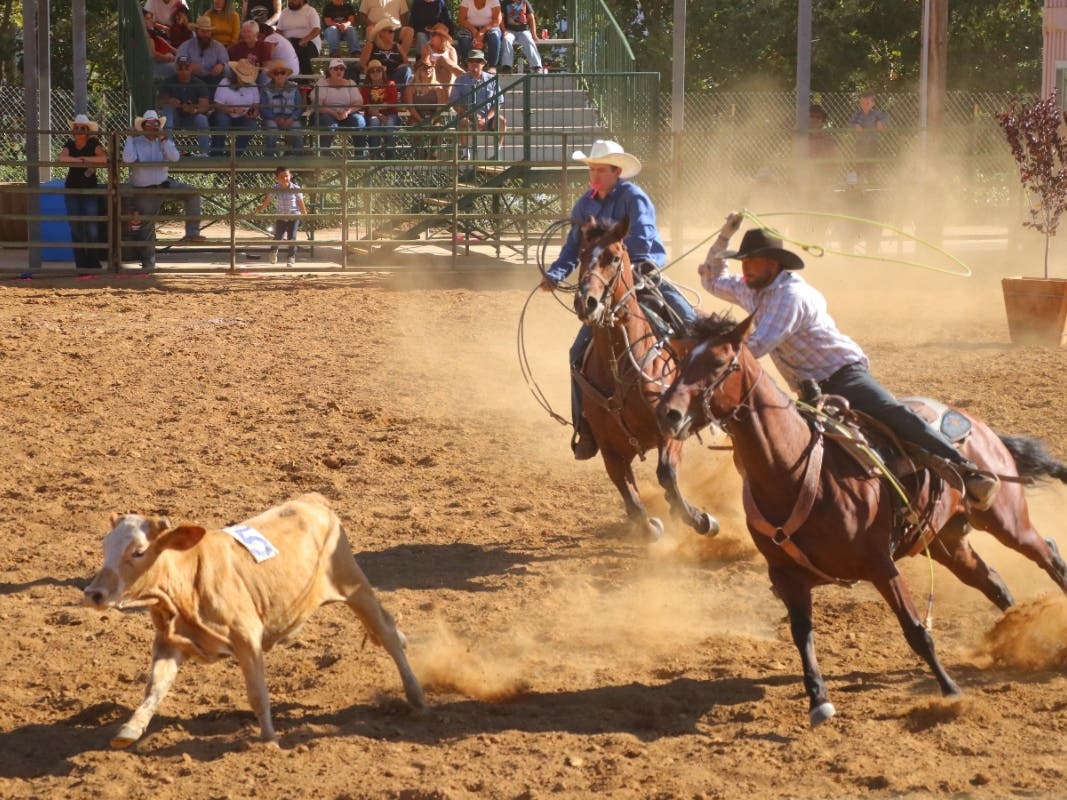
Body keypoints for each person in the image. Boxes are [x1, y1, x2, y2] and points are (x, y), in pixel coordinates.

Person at [698, 219, 1000, 510]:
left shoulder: (790, 296)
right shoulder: (753, 287)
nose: (745, 268)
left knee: (890, 412)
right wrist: (724, 236)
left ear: (773, 265)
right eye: (743, 262)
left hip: (843, 376)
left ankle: (967, 470)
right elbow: (711, 279)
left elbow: (757, 345)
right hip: (811, 388)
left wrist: (711, 361)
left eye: (752, 261)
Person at [540, 139, 697, 460]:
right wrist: (556, 273)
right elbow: (574, 247)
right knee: (576, 354)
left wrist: (615, 255)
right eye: (592, 169)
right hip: (606, 283)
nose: (594, 175)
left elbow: (641, 240)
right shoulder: (585, 204)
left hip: (640, 272)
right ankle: (585, 428)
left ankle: (707, 405)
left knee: (691, 327)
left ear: (616, 171)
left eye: (600, 169)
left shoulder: (634, 198)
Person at [121, 110, 206, 272]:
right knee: (146, 226)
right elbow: (128, 158)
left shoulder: (164, 141)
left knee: (192, 193)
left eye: (156, 123)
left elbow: (174, 157)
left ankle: (193, 232)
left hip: (163, 183)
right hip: (144, 189)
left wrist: (164, 139)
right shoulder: (136, 141)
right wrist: (130, 137)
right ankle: (148, 264)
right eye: (150, 123)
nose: (153, 126)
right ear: (143, 126)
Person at [58, 114, 108, 270]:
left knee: (91, 227)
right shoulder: (70, 143)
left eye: (82, 128)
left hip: (89, 189)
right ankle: (81, 264)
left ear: (87, 131)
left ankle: (93, 262)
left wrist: (81, 159)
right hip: (72, 188)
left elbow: (104, 159)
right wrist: (83, 161)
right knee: (76, 227)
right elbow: (62, 158)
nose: (78, 130)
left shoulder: (93, 142)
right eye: (76, 128)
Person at [449, 49, 503, 160]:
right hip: (468, 116)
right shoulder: (460, 80)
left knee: (501, 120)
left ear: (483, 64)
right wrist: (470, 115)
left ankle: (497, 152)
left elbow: (498, 103)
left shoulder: (492, 79)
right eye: (471, 61)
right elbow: (455, 103)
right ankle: (464, 153)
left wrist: (485, 119)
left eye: (478, 61)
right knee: (463, 121)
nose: (474, 63)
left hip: (488, 118)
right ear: (467, 63)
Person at [158, 55, 212, 156]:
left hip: (191, 118)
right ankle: (167, 150)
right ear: (176, 69)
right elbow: (160, 101)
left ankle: (204, 153)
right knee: (167, 110)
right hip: (174, 117)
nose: (183, 71)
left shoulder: (199, 84)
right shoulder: (168, 82)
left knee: (202, 118)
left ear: (191, 68)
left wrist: (193, 110)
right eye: (180, 68)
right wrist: (170, 101)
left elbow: (205, 107)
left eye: (186, 67)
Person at [255, 166, 307, 266]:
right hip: (281, 216)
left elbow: (300, 202)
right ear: (277, 178)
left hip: (294, 216)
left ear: (290, 176)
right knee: (278, 236)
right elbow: (268, 199)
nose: (284, 179)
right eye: (281, 177)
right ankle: (273, 251)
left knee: (292, 237)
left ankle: (291, 258)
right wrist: (261, 208)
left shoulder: (296, 188)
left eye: (286, 176)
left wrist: (304, 213)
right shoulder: (276, 188)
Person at [211, 59, 263, 156]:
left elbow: (256, 105)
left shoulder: (253, 85)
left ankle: (235, 153)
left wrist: (254, 113)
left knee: (252, 126)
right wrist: (233, 110)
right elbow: (217, 105)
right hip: (225, 114)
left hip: (244, 117)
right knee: (221, 121)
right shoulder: (225, 82)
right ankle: (216, 153)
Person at [313, 57, 367, 150]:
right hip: (327, 114)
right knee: (328, 124)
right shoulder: (322, 83)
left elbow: (359, 102)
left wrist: (347, 111)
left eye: (341, 69)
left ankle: (360, 156)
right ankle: (324, 158)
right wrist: (332, 113)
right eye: (336, 68)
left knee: (359, 122)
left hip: (346, 115)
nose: (339, 71)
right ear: (330, 70)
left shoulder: (351, 83)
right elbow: (317, 105)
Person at [260, 59, 305, 155]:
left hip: (291, 119)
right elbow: (263, 108)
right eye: (277, 73)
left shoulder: (294, 87)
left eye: (282, 73)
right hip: (272, 119)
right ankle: (269, 159)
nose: (280, 75)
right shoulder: (265, 89)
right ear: (273, 76)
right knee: (271, 130)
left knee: (297, 130)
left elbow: (299, 107)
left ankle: (299, 159)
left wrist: (292, 118)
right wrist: (275, 118)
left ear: (286, 75)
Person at [176, 16, 230, 88]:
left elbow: (227, 64)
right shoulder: (187, 45)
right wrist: (188, 66)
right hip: (192, 80)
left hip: (212, 80)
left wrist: (222, 66)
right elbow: (179, 59)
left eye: (208, 31)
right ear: (196, 31)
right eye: (202, 31)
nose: (205, 34)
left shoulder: (219, 47)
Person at [360, 58, 400, 156]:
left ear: (382, 72)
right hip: (372, 115)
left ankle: (390, 160)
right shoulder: (365, 88)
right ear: (368, 74)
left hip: (390, 114)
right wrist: (379, 115)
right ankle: (374, 158)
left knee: (389, 127)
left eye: (378, 70)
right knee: (374, 122)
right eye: (372, 71)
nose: (375, 73)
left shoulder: (390, 84)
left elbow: (392, 101)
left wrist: (378, 109)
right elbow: (366, 105)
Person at [849, 90, 889, 185]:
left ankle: (872, 180)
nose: (864, 106)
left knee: (872, 161)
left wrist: (880, 122)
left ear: (873, 104)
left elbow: (885, 117)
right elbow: (850, 123)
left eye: (867, 103)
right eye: (862, 103)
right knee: (860, 160)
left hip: (872, 142)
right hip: (861, 142)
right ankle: (859, 180)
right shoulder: (857, 114)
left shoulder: (877, 113)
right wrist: (856, 126)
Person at [360, 16, 412, 88]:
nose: (393, 34)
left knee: (406, 70)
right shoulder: (371, 45)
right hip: (378, 76)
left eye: (394, 32)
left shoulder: (397, 46)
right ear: (381, 33)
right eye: (390, 31)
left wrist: (403, 65)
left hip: (395, 76)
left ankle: (398, 94)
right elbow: (362, 64)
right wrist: (371, 72)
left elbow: (406, 62)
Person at [276, 0, 323, 76]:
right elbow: (278, 30)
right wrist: (285, 41)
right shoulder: (285, 12)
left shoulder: (310, 11)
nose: (290, 1)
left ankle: (306, 79)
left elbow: (316, 30)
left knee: (300, 49)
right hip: (289, 42)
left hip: (309, 43)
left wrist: (305, 40)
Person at [499, 0, 543, 74]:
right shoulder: (505, 3)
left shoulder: (525, 2)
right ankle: (507, 66)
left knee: (529, 40)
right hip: (509, 30)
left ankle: (536, 66)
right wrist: (504, 31)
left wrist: (534, 35)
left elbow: (531, 18)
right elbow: (500, 18)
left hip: (523, 30)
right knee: (506, 40)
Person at [403, 56, 449, 125]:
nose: (428, 70)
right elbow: (411, 109)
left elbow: (439, 108)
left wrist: (432, 120)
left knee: (438, 127)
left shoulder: (438, 87)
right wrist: (422, 121)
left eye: (430, 68)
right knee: (415, 127)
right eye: (424, 68)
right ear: (418, 70)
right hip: (416, 118)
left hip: (434, 119)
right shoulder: (411, 88)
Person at [455, 0, 501, 69]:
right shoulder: (466, 1)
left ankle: (492, 66)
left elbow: (497, 20)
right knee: (463, 39)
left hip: (490, 27)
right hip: (469, 27)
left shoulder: (494, 1)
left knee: (494, 37)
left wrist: (482, 32)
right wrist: (474, 30)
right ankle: (468, 66)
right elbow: (461, 19)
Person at [420, 21, 463, 86]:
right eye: (430, 34)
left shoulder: (451, 50)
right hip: (432, 75)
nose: (430, 36)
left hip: (448, 78)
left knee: (444, 65)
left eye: (434, 34)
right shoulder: (427, 47)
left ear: (442, 37)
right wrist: (439, 63)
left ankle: (465, 77)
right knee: (442, 59)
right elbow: (425, 64)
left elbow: (453, 69)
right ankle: (466, 77)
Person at [145, 9, 178, 78]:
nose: (151, 20)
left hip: (170, 59)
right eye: (147, 18)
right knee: (183, 69)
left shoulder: (155, 34)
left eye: (151, 18)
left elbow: (170, 47)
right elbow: (154, 54)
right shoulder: (147, 35)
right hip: (161, 63)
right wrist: (169, 58)